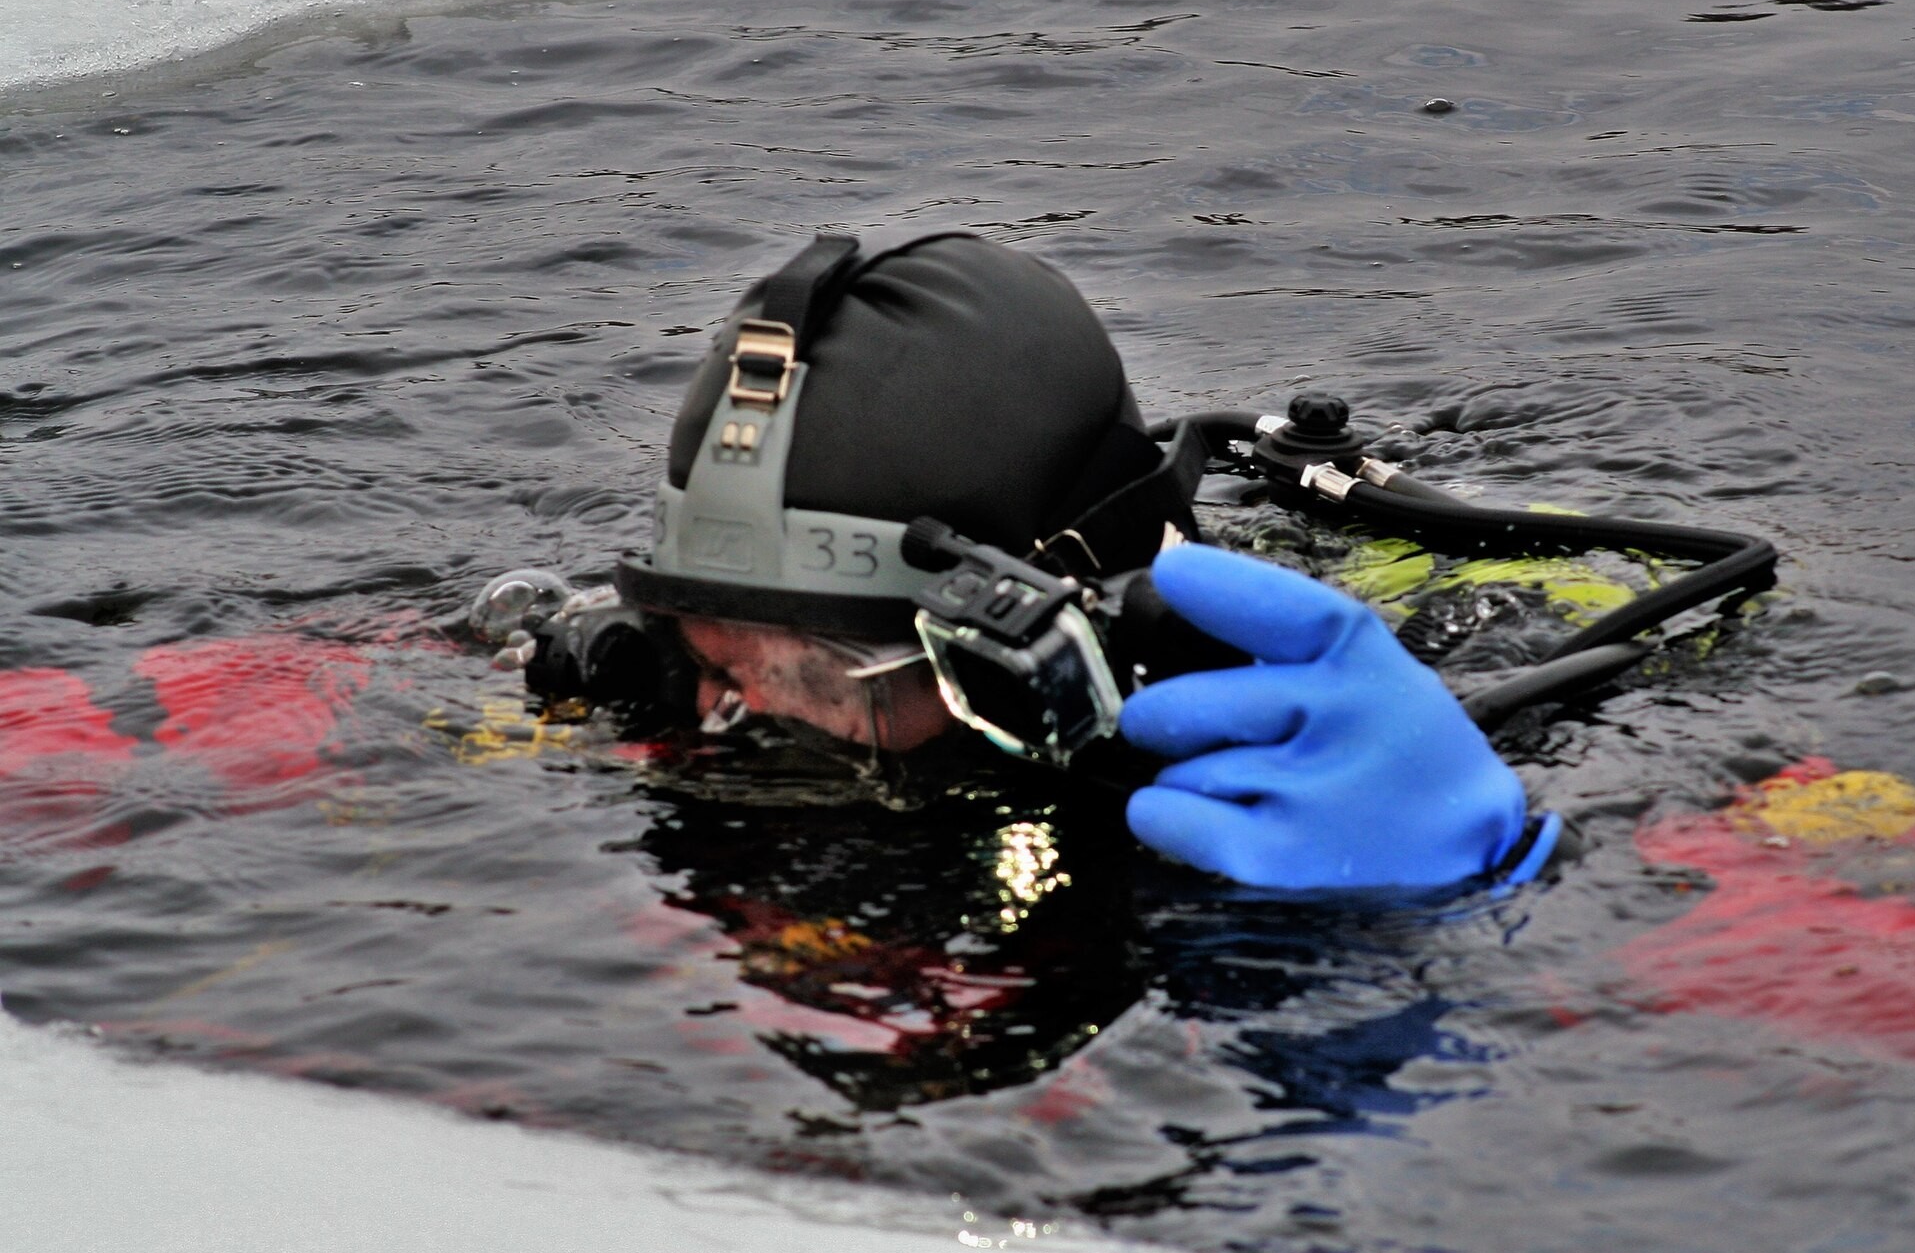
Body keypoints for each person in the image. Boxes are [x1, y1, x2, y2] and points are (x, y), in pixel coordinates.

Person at [475, 230, 1564, 897]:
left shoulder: (1356, 754)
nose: (727, 719)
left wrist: (1487, 881)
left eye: (801, 674)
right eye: (704, 648)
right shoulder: (657, 694)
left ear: (1029, 636)